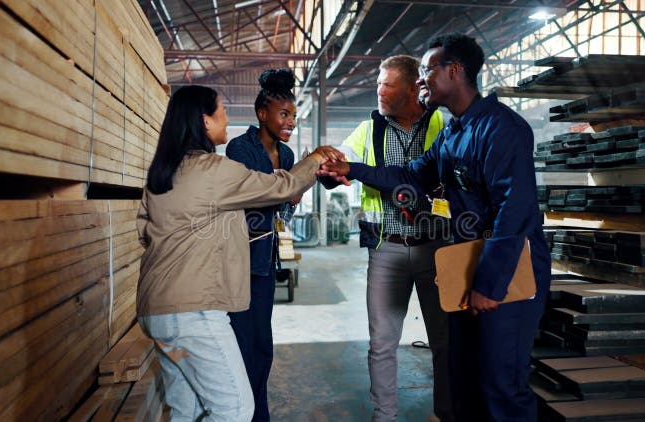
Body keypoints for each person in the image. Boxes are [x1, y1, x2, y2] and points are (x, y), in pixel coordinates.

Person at [318, 34, 551, 421]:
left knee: (501, 386)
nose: (421, 80)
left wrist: (488, 284)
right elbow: (410, 175)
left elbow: (515, 211)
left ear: (454, 71)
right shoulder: (453, 133)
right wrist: (352, 169)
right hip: (466, 264)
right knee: (465, 378)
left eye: (427, 71)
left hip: (507, 273)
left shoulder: (501, 128)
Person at [136, 85, 343, 422]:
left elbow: (145, 233)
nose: (227, 119)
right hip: (195, 311)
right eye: (222, 112)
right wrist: (316, 158)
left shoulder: (161, 174)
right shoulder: (212, 169)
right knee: (235, 409)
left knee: (186, 411)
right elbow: (281, 187)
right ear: (205, 121)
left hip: (155, 310)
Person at [321, 55, 452, 422]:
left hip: (436, 250)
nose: (378, 90)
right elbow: (339, 165)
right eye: (378, 83)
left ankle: (447, 414)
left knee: (445, 342)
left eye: (387, 84)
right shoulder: (369, 130)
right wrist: (327, 169)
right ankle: (384, 417)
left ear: (412, 89)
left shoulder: (442, 124)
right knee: (381, 343)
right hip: (386, 249)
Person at [224, 68, 300, 422]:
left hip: (266, 261)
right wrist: (286, 191)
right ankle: (244, 413)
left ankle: (258, 413)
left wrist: (290, 200)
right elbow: (249, 195)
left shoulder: (287, 155)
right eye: (284, 114)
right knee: (243, 344)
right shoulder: (240, 148)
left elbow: (284, 203)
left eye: (293, 116)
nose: (290, 122)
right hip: (240, 260)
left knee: (263, 345)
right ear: (262, 113)